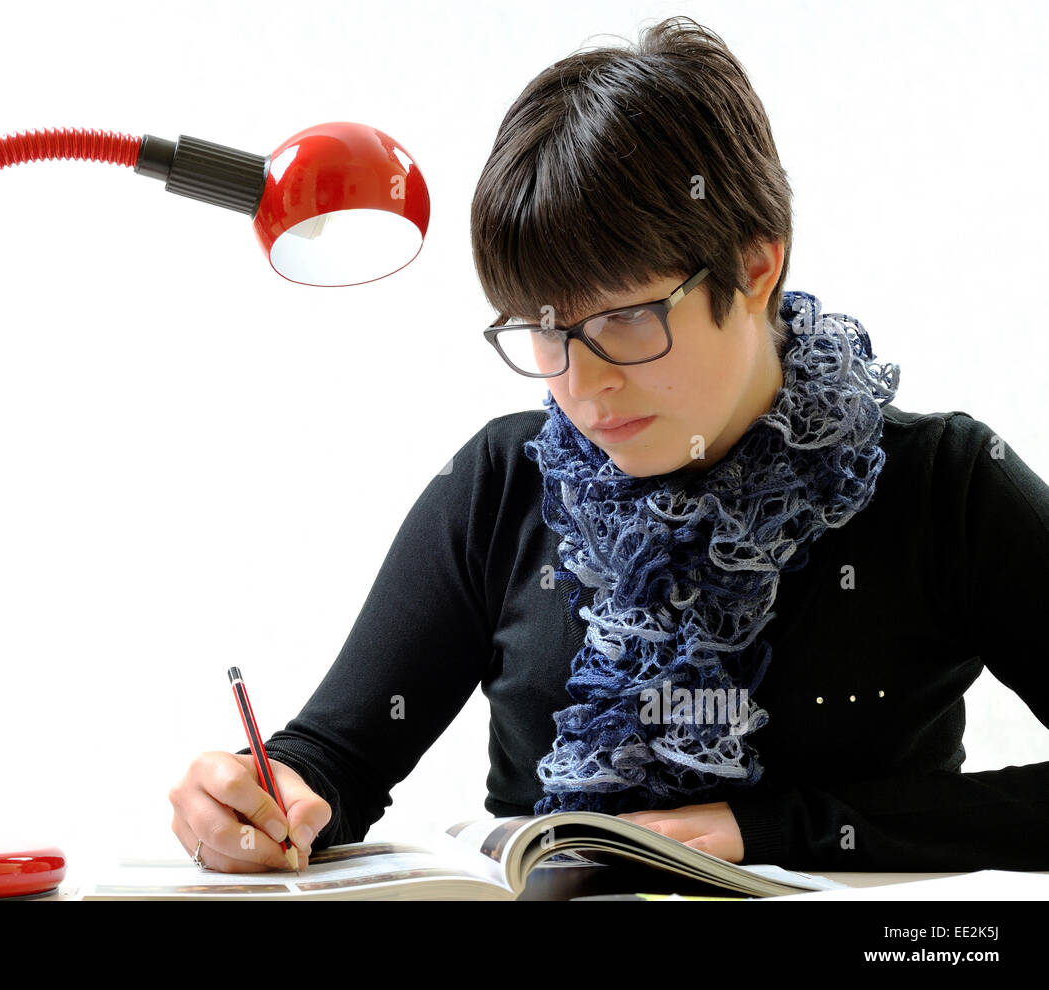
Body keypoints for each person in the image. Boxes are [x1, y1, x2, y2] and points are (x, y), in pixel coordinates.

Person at [167, 15, 1049, 875]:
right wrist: (258, 801)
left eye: (626, 320)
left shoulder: (945, 488)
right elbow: (335, 763)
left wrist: (776, 830)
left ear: (755, 267)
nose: (582, 385)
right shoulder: (503, 484)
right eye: (543, 329)